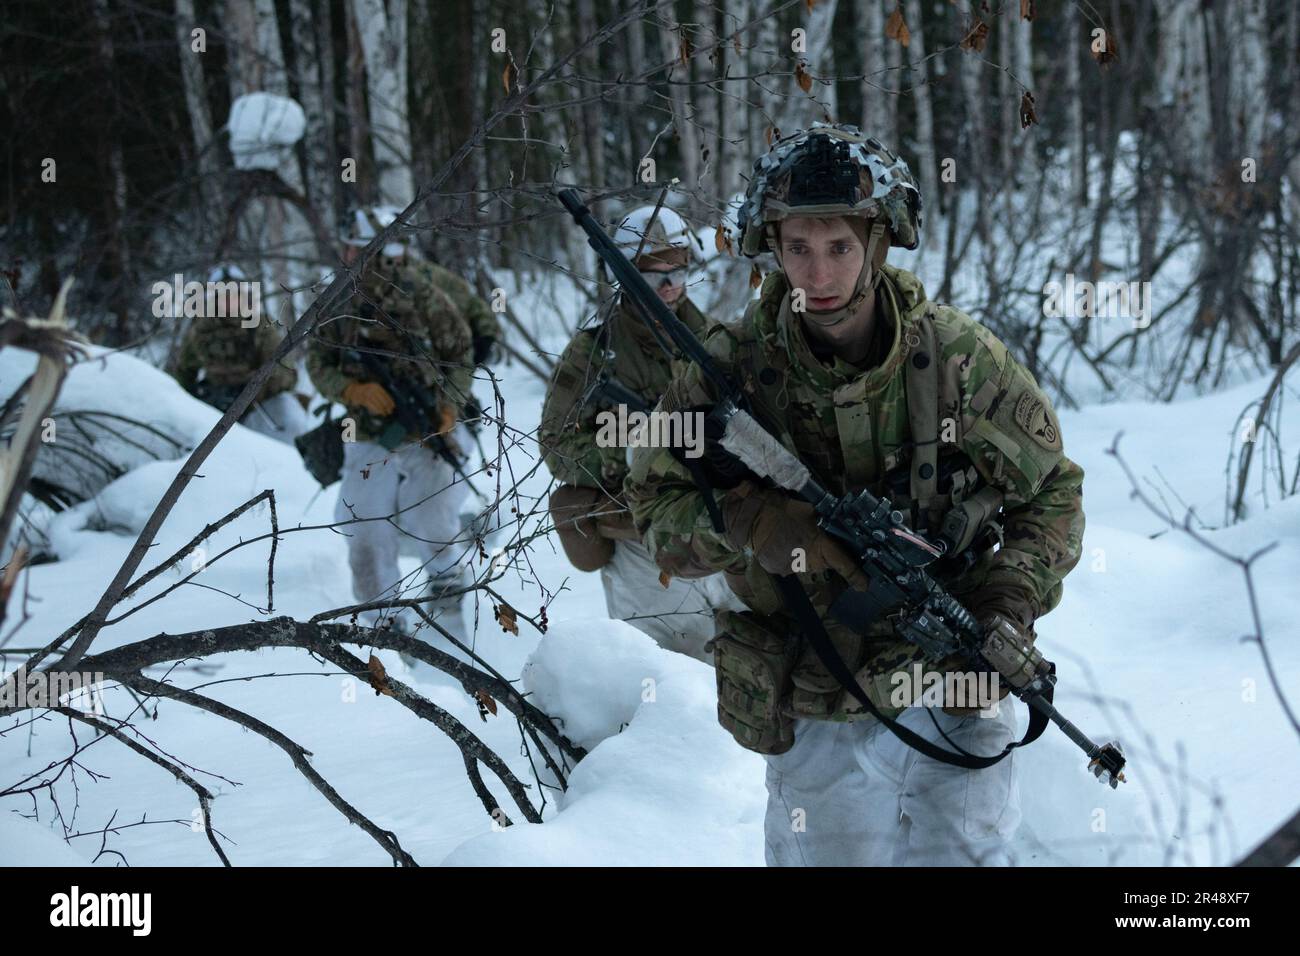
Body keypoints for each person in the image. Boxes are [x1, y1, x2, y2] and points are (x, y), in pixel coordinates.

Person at [625, 122, 1086, 865]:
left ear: (877, 242)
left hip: (955, 667)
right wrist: (749, 519)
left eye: (839, 246)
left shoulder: (956, 359)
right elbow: (655, 515)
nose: (818, 273)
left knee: (969, 854)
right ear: (771, 248)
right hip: (818, 688)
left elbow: (1053, 492)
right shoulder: (725, 372)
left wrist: (1008, 602)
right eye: (798, 248)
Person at [538, 204, 740, 663]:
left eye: (679, 272)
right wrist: (631, 452)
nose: (669, 287)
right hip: (640, 540)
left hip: (717, 528)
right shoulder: (595, 352)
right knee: (668, 670)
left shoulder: (713, 339)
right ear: (627, 276)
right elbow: (557, 445)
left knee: (746, 659)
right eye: (654, 276)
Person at [306, 206, 499, 638]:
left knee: (434, 517)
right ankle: (381, 622)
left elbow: (462, 350)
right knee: (365, 521)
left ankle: (451, 601)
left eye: (365, 248)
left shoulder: (428, 289)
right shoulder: (336, 300)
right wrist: (351, 390)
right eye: (353, 247)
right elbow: (318, 362)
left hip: (430, 424)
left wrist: (450, 402)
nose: (357, 256)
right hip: (369, 428)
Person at [175, 264, 306, 440]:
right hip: (213, 407)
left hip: (257, 407)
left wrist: (252, 391)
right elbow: (183, 373)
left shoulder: (260, 325)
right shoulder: (201, 329)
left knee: (288, 416)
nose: (229, 300)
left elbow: (286, 372)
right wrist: (193, 402)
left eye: (235, 294)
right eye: (223, 295)